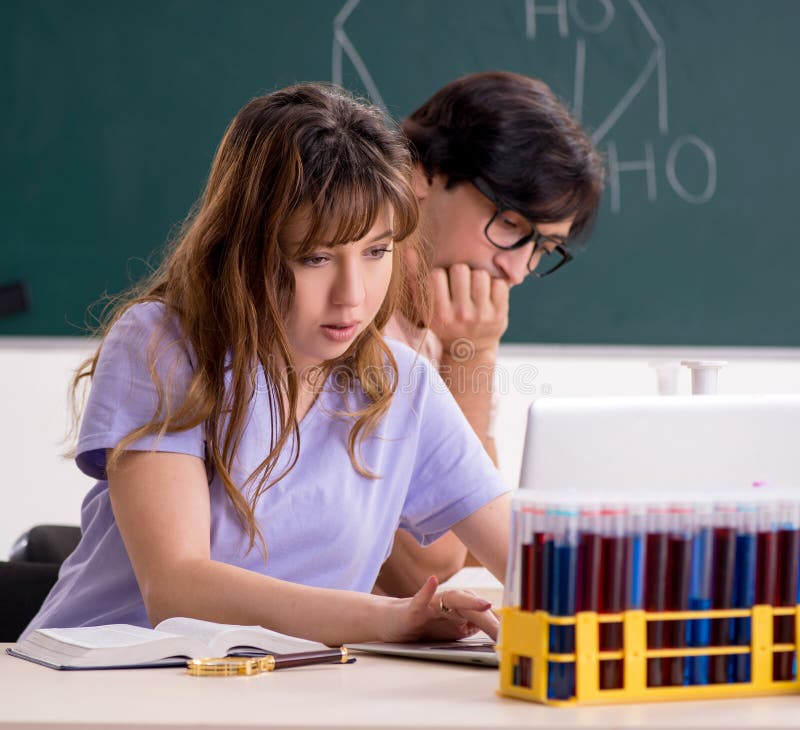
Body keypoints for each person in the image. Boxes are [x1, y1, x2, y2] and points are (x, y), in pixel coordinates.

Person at [20, 83, 510, 645]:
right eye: (316, 257)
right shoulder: (162, 343)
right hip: (103, 685)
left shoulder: (402, 381)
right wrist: (391, 619)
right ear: (247, 249)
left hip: (281, 689)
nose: (352, 295)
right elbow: (175, 589)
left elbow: (524, 553)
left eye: (376, 252)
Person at [376, 71, 604, 597]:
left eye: (543, 249)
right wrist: (472, 356)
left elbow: (481, 544)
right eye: (509, 225)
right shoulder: (344, 314)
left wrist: (466, 349)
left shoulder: (436, 321)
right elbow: (426, 569)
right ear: (423, 173)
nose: (518, 271)